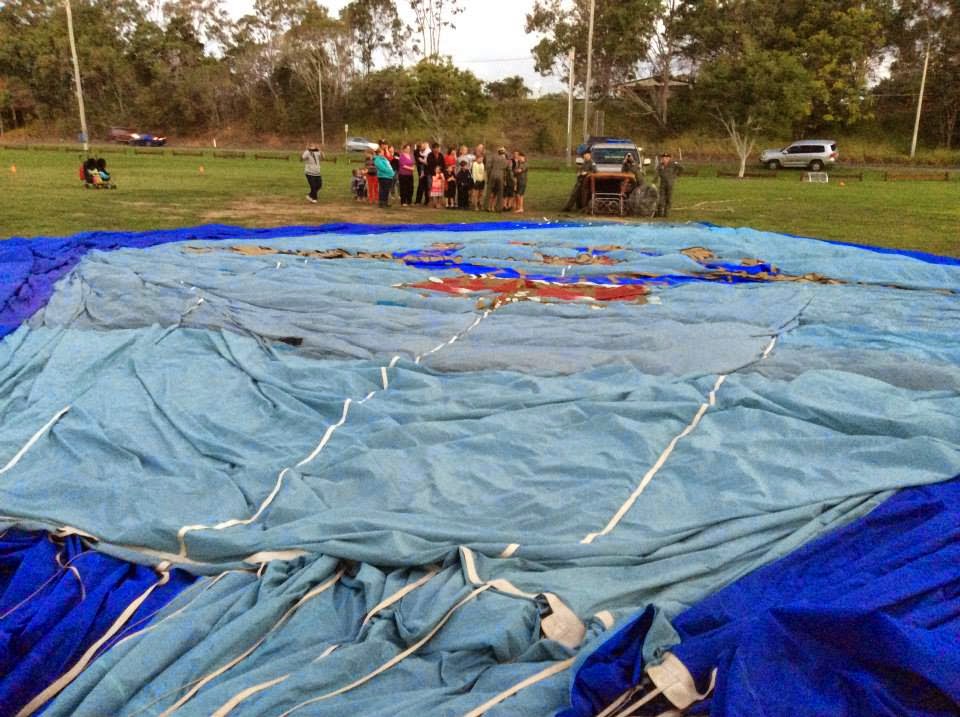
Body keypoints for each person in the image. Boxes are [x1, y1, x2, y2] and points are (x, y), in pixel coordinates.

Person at [656, 152, 681, 218]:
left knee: (668, 199)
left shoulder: (673, 164)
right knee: (661, 199)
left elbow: (681, 168)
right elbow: (657, 173)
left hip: (670, 184)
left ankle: (666, 214)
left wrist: (676, 175)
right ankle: (660, 213)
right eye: (663, 158)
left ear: (669, 158)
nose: (665, 159)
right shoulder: (660, 165)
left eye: (666, 158)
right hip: (662, 184)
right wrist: (654, 181)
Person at [486, 147, 508, 212]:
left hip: (492, 175)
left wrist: (489, 176)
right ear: (503, 153)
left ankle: (488, 206)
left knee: (490, 192)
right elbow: (507, 168)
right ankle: (497, 208)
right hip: (500, 176)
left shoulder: (493, 158)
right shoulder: (505, 160)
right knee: (499, 192)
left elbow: (489, 167)